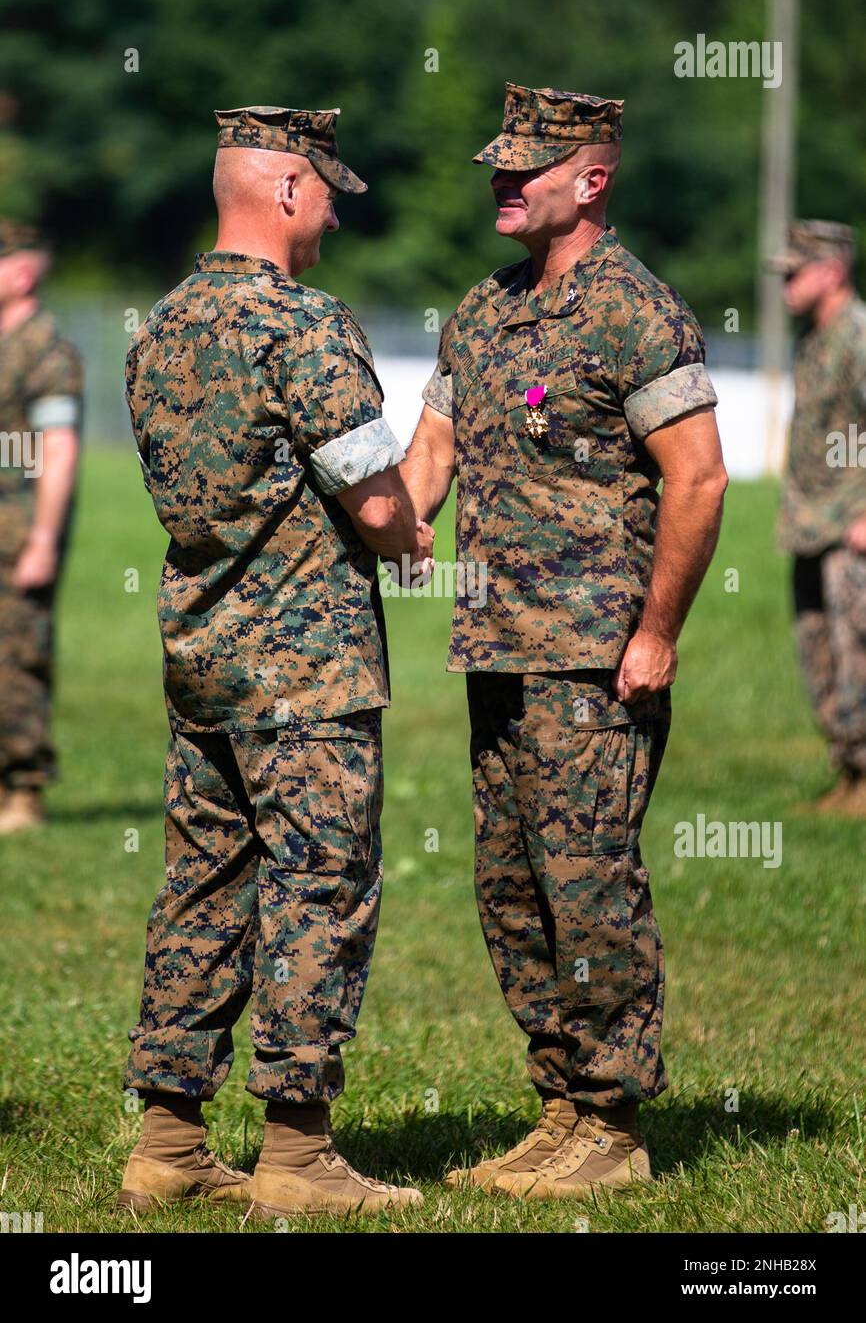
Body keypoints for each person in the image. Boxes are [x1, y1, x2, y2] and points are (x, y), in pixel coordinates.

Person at [402, 83, 727, 1200]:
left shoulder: (635, 311)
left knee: (587, 882)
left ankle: (612, 1123)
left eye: (523, 168)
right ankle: (557, 1104)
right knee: (510, 884)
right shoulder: (481, 313)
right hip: (495, 651)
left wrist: (656, 632)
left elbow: (697, 477)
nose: (501, 180)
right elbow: (425, 466)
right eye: (495, 163)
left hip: (595, 658)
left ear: (589, 180)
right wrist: (349, 501)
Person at [119, 105, 431, 1217]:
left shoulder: (157, 325)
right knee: (318, 888)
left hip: (200, 659)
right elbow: (375, 493)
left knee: (202, 886)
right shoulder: (301, 323)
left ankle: (166, 1144)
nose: (339, 214)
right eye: (329, 191)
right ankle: (297, 1157)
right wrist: (410, 536)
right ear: (288, 188)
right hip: (305, 673)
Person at [773, 220, 866, 816]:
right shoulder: (813, 340)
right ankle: (849, 774)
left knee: (857, 648)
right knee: (820, 651)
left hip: (852, 527)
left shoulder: (858, 337)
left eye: (794, 271)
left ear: (831, 271)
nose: (784, 284)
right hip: (810, 525)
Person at [0, 219, 82, 835]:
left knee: (16, 657)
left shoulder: (46, 349)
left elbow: (57, 449)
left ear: (22, 272)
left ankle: (23, 789)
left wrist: (43, 540)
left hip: (17, 532)